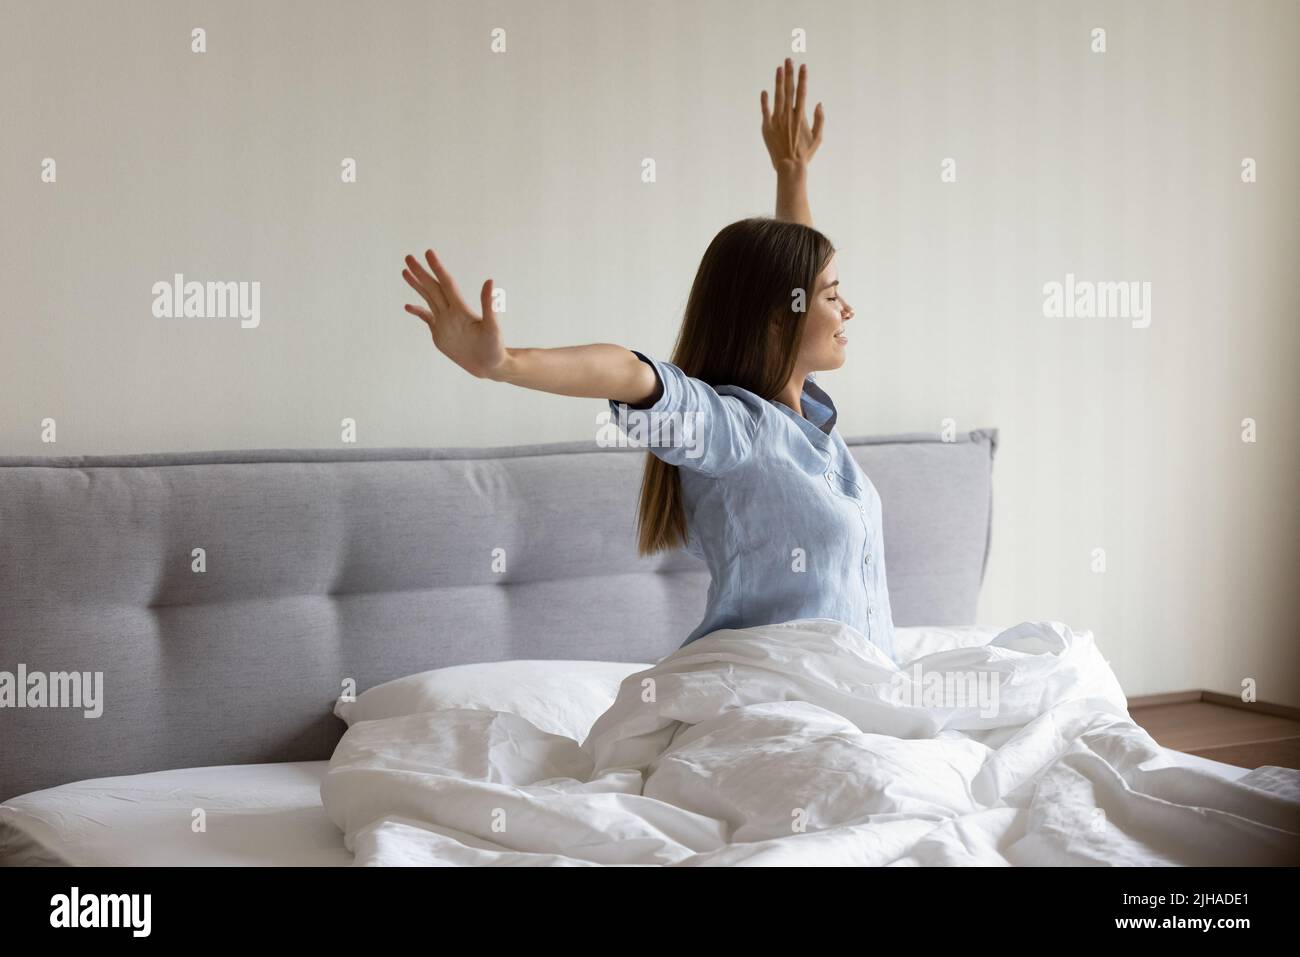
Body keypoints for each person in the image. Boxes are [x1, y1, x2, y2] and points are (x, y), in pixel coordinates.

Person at [400, 60, 896, 662]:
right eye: (833, 296)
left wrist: (792, 173)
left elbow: (793, 282)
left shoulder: (809, 426)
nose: (849, 310)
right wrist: (504, 363)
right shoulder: (734, 430)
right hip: (776, 698)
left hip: (862, 694)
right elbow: (630, 373)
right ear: (779, 318)